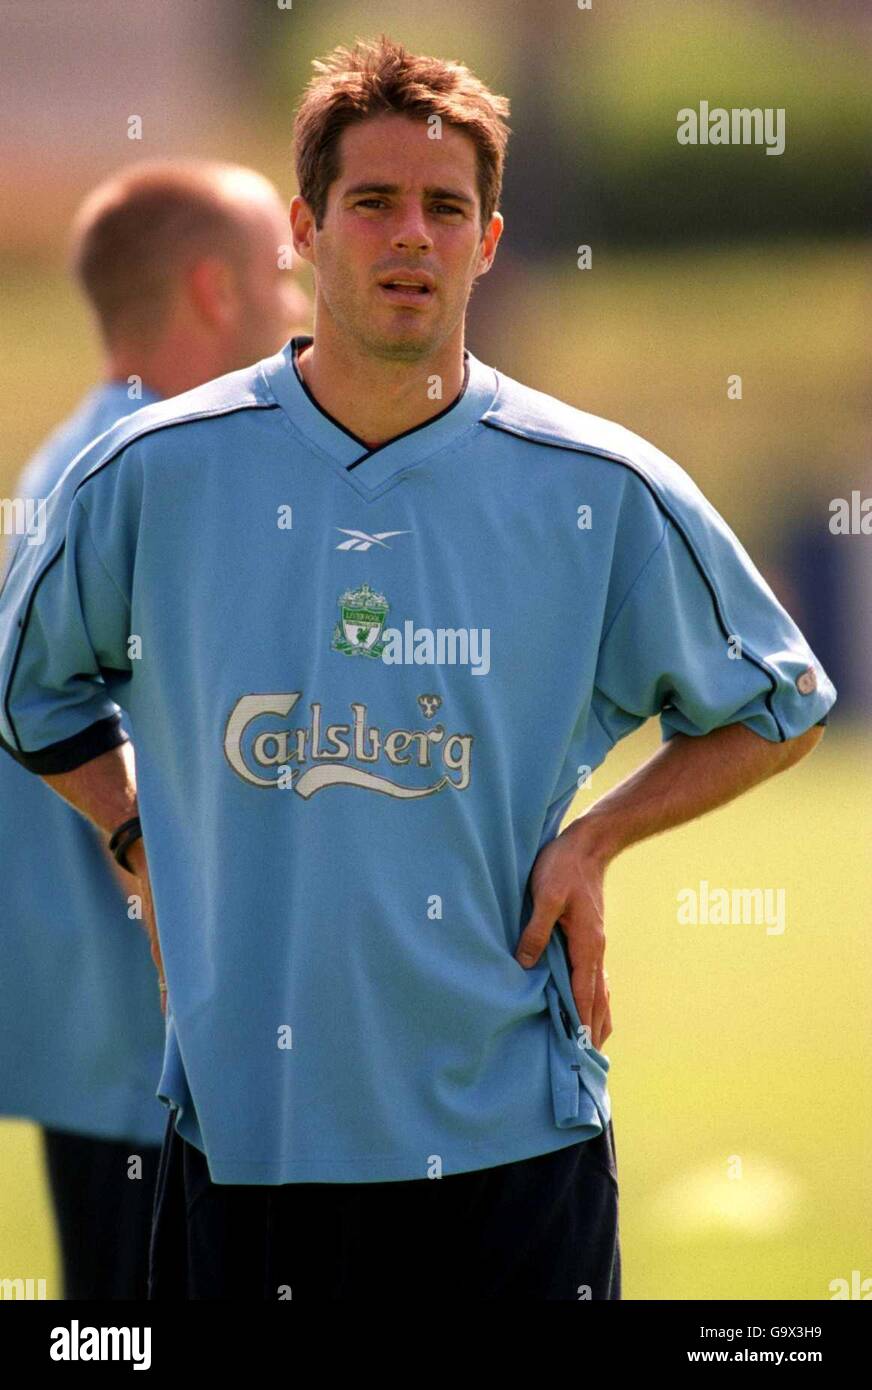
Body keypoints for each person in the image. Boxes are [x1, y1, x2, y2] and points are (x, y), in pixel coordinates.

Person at [0, 39, 835, 1302]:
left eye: (445, 207)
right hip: (246, 1139)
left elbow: (779, 700)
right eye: (373, 202)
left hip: (513, 1148)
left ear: (488, 240)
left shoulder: (598, 487)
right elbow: (30, 689)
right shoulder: (150, 477)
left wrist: (594, 839)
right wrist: (134, 836)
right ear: (302, 228)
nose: (411, 236)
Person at [0, 158, 309, 1299]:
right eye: (278, 283)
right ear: (212, 294)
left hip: (121, 1048)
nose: (296, 310)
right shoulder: (143, 474)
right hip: (154, 1054)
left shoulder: (92, 456)